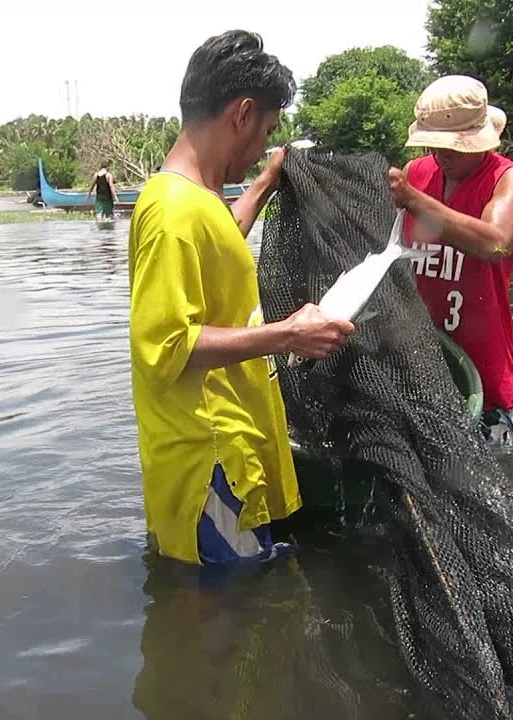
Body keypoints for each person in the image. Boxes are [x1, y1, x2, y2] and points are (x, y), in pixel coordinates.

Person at [127, 29, 355, 571]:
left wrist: (266, 182)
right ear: (242, 113)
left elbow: (219, 237)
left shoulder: (194, 198)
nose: (260, 149)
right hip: (209, 467)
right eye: (267, 132)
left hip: (230, 451)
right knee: (221, 625)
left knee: (239, 607)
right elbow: (165, 345)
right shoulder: (172, 213)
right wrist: (288, 334)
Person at [387, 75, 513, 447]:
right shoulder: (417, 173)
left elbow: (496, 243)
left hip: (481, 376)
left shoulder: (508, 180)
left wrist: (414, 201)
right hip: (418, 362)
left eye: (452, 145)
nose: (441, 154)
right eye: (433, 144)